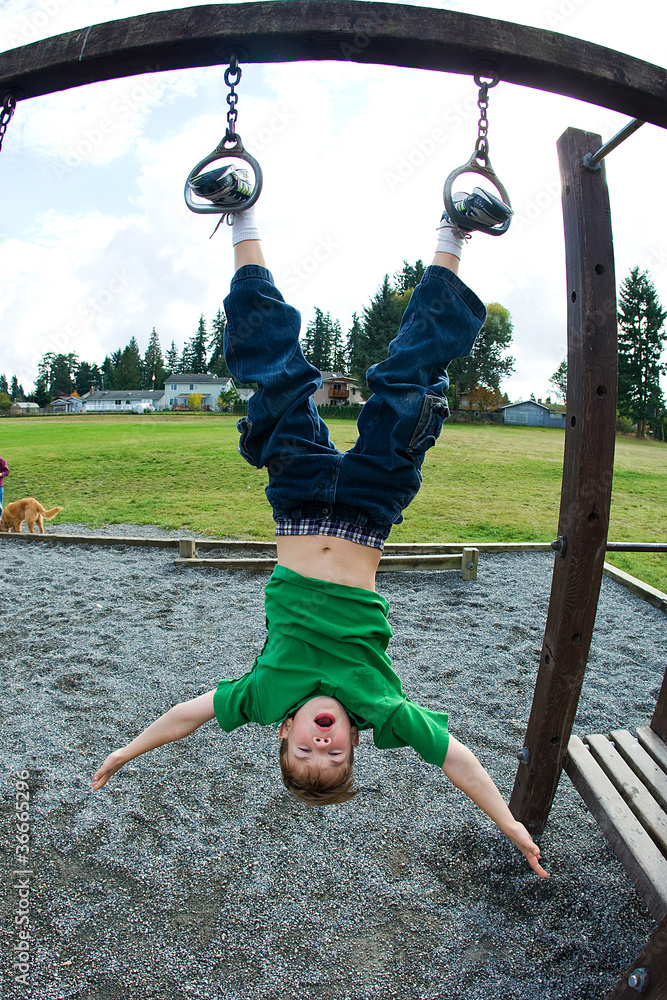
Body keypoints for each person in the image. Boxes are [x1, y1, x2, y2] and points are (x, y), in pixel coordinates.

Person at [93, 177, 548, 880]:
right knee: (407, 379)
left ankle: (240, 211)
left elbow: (187, 715)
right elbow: (456, 759)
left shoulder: (263, 693)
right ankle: (454, 231)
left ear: (281, 731)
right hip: (370, 507)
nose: (320, 746)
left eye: (303, 752)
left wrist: (126, 751)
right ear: (354, 746)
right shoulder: (383, 708)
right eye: (332, 757)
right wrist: (509, 822)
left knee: (272, 374)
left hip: (299, 497)